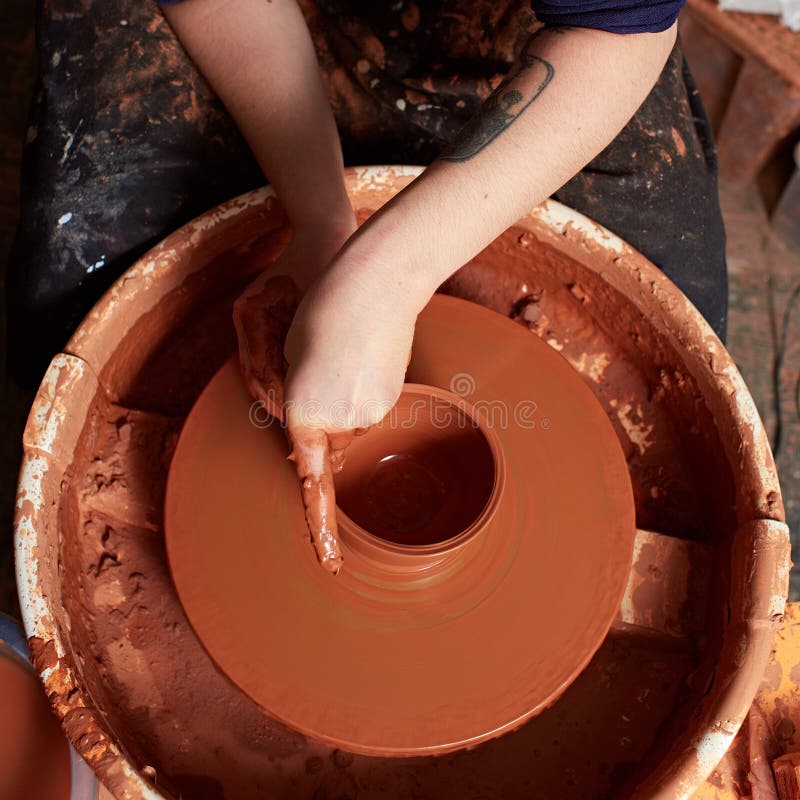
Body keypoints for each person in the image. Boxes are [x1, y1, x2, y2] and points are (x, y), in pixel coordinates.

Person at [7, 0, 726, 436]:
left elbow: (617, 27)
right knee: (73, 297)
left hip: (556, 24)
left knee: (675, 298)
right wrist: (321, 220)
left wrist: (386, 275)